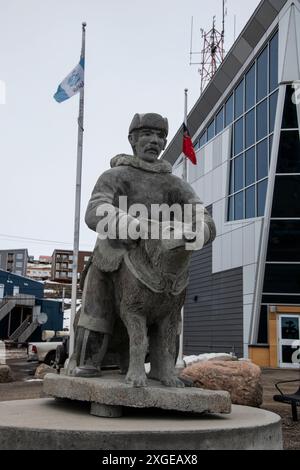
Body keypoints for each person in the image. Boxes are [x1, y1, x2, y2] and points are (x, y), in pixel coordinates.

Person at [68, 113, 216, 378]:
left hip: (159, 260)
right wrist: (131, 224)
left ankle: (163, 367)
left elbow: (201, 214)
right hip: (115, 254)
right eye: (148, 134)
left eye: (160, 137)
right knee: (97, 301)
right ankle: (87, 360)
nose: (155, 141)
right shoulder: (115, 175)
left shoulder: (175, 184)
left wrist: (200, 230)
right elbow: (95, 210)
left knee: (170, 314)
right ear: (133, 139)